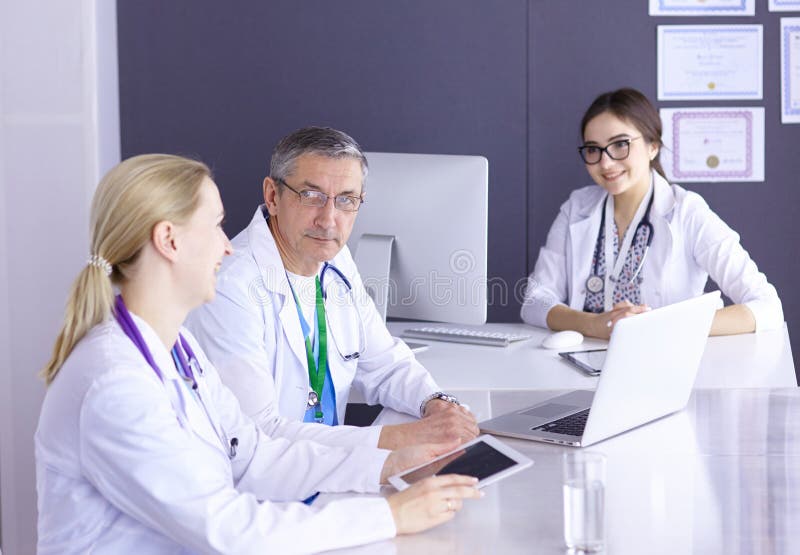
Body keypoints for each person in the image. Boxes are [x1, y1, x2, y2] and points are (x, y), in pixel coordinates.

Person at [35, 154, 481, 554]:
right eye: (215, 226)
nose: (227, 245)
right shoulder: (116, 385)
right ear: (169, 240)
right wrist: (390, 515)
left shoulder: (177, 348)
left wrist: (387, 465)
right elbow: (227, 529)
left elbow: (252, 456)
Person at [186, 127, 478, 450]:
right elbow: (255, 435)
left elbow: (385, 363)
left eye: (346, 200)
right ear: (272, 197)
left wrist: (436, 404)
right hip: (265, 486)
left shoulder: (337, 262)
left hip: (326, 469)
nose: (328, 220)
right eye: (311, 196)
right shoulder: (230, 288)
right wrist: (401, 440)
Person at [521, 87, 783, 339]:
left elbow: (767, 306)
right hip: (585, 363)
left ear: (653, 146)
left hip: (666, 363)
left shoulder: (687, 212)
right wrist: (594, 325)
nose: (606, 162)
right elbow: (534, 300)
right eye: (593, 149)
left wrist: (662, 327)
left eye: (620, 144)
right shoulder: (577, 207)